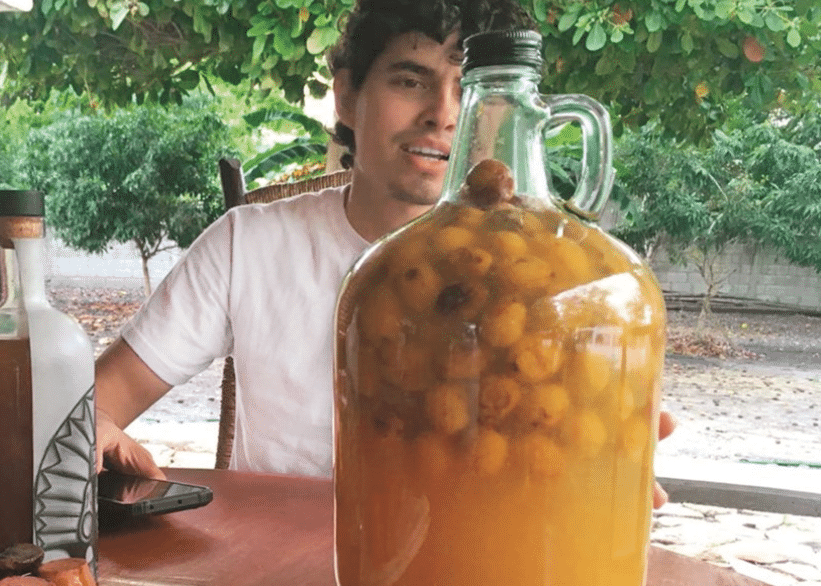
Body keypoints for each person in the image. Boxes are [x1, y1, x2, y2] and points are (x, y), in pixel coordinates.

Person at [94, 0, 676, 500]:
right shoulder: (249, 245)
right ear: (346, 96)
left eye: (467, 91)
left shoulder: (546, 280)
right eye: (411, 80)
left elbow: (560, 446)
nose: (443, 115)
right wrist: (92, 427)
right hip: (282, 571)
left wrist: (597, 465)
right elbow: (97, 405)